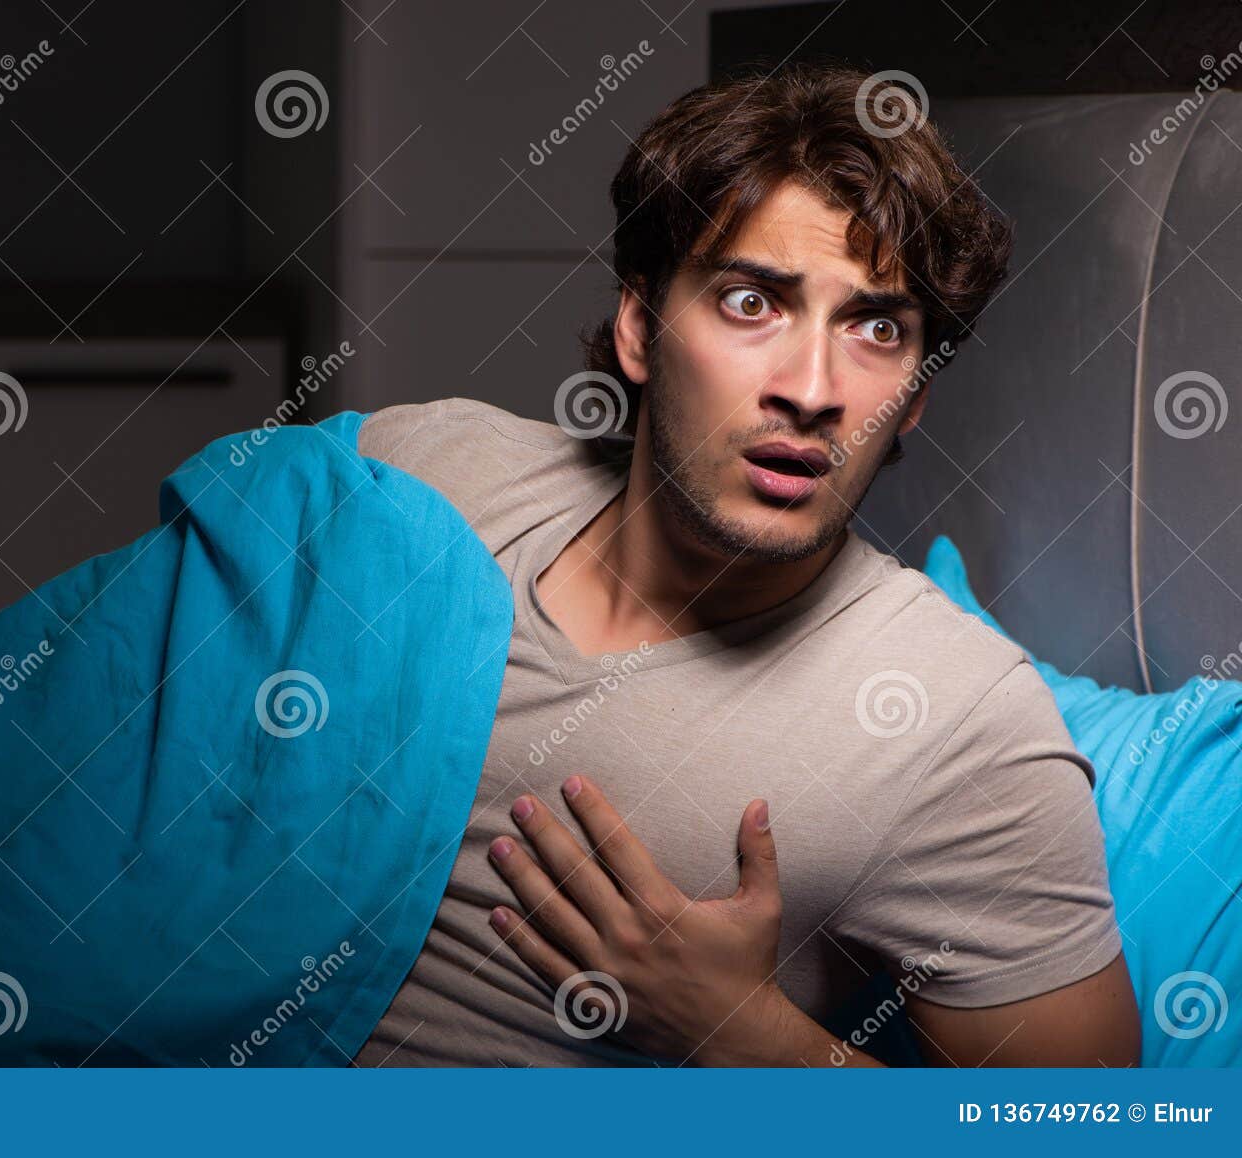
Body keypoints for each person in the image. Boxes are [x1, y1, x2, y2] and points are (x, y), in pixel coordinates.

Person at [350, 62, 1140, 1067]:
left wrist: (744, 1037)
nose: (812, 389)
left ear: (917, 393)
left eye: (874, 328)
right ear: (640, 328)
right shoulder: (418, 471)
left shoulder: (958, 726)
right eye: (751, 303)